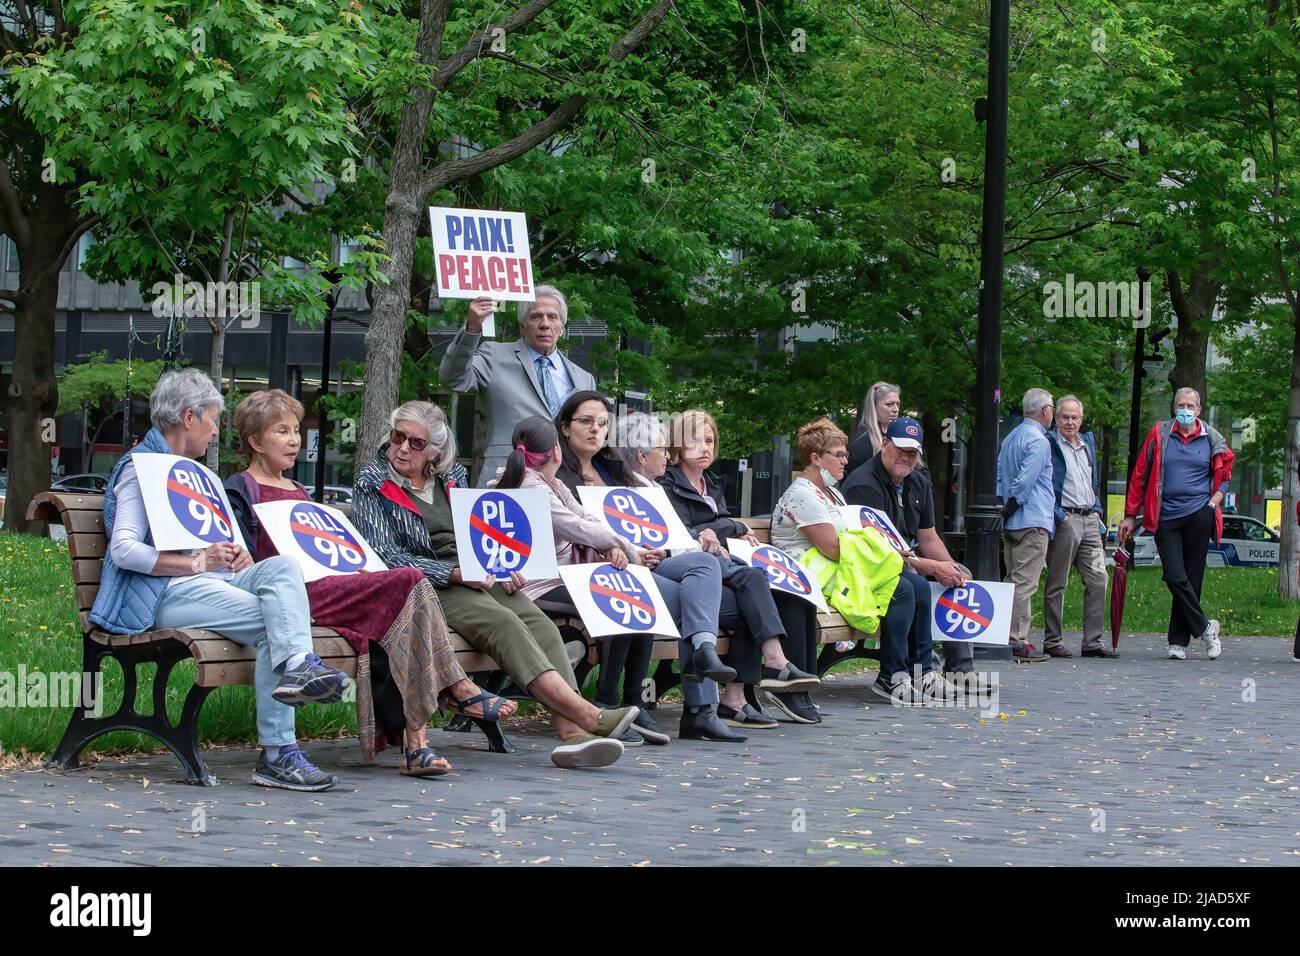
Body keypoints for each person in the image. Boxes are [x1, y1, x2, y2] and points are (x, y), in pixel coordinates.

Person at [226, 389, 518, 778]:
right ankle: (455, 690)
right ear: (255, 441)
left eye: (297, 430)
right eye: (282, 431)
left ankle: (419, 746)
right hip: (290, 599)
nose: (295, 439)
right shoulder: (239, 489)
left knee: (409, 594)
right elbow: (247, 565)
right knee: (410, 580)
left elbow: (327, 548)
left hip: (329, 585)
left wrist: (358, 567)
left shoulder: (298, 491)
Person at [350, 400, 651, 769]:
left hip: (475, 573)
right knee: (504, 624)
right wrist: (456, 574)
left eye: (416, 443)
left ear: (435, 451)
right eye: (399, 437)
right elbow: (384, 556)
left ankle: (571, 735)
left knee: (538, 622)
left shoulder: (451, 478)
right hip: (422, 586)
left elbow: (476, 531)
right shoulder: (372, 483)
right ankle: (587, 716)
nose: (402, 448)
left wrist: (499, 564)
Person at [88, 368, 350, 792]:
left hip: (215, 585)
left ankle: (299, 667)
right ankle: (279, 754)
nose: (215, 430)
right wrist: (196, 563)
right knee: (273, 625)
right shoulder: (142, 470)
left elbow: (221, 549)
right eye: (212, 419)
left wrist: (237, 558)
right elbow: (124, 550)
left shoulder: (202, 476)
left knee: (282, 567)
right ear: (189, 417)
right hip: (167, 592)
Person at [491, 414, 735, 743]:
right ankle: (611, 699)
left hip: (568, 576)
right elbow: (576, 527)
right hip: (539, 585)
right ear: (558, 451)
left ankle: (634, 699)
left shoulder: (552, 483)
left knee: (639, 593)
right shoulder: (528, 485)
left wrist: (614, 549)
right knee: (620, 597)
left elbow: (584, 518)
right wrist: (625, 548)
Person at [658, 408, 822, 727]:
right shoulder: (667, 484)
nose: (704, 447)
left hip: (718, 570)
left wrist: (723, 530)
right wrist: (729, 528)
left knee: (755, 596)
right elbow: (680, 534)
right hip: (686, 575)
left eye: (710, 440)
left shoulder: (712, 483)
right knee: (753, 584)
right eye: (696, 440)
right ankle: (772, 664)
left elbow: (713, 527)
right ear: (677, 443)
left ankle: (735, 699)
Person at [773, 418, 939, 705]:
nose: (845, 461)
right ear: (815, 459)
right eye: (838, 455)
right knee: (901, 589)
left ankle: (921, 671)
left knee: (918, 586)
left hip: (838, 571)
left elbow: (850, 537)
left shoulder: (832, 493)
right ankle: (892, 674)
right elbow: (832, 548)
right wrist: (877, 549)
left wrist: (872, 548)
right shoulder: (802, 494)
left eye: (845, 454)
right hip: (809, 576)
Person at [841, 416, 977, 679]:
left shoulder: (918, 481)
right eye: (901, 449)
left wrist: (949, 567)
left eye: (912, 452)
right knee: (913, 584)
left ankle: (960, 669)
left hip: (905, 560)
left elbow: (928, 538)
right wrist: (931, 567)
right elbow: (878, 553)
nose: (906, 457)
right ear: (884, 444)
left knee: (960, 575)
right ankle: (918, 670)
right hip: (872, 566)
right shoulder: (863, 484)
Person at [1119, 388, 1234, 661]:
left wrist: (1214, 502)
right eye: (1180, 404)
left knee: (1192, 580)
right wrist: (1130, 514)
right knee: (1173, 575)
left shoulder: (1212, 437)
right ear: (1173, 407)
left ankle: (1178, 642)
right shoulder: (1159, 434)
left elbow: (1226, 474)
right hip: (1166, 516)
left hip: (1199, 514)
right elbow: (1139, 475)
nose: (1185, 409)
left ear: (1199, 409)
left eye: (1190, 405)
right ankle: (1206, 628)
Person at [438, 287, 596, 483]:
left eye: (552, 317)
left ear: (562, 328)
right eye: (536, 316)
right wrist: (472, 328)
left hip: (565, 484)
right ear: (522, 326)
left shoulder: (584, 379)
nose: (545, 324)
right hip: (506, 481)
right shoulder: (494, 356)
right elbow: (452, 377)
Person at [1043, 395, 1114, 658]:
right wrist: (1059, 515)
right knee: (1057, 581)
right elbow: (1046, 483)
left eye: (1074, 417)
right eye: (1064, 417)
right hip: (1067, 520)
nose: (1069, 422)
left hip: (1090, 520)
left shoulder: (1087, 445)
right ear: (1056, 418)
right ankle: (1053, 641)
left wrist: (1097, 510)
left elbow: (1093, 480)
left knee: (1099, 578)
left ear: (1081, 420)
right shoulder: (1049, 444)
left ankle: (1092, 642)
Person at [996, 389, 1056, 663]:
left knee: (1012, 580)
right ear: (1045, 410)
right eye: (1052, 408)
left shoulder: (1011, 437)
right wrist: (1012, 504)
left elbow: (1000, 474)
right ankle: (1015, 640)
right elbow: (1025, 480)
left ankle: (1006, 634)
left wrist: (1003, 506)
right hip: (1032, 519)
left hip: (1013, 522)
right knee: (1024, 583)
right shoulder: (1039, 441)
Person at [847, 382, 901, 475]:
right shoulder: (862, 441)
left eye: (898, 404)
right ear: (874, 406)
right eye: (889, 404)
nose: (895, 409)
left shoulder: (902, 434)